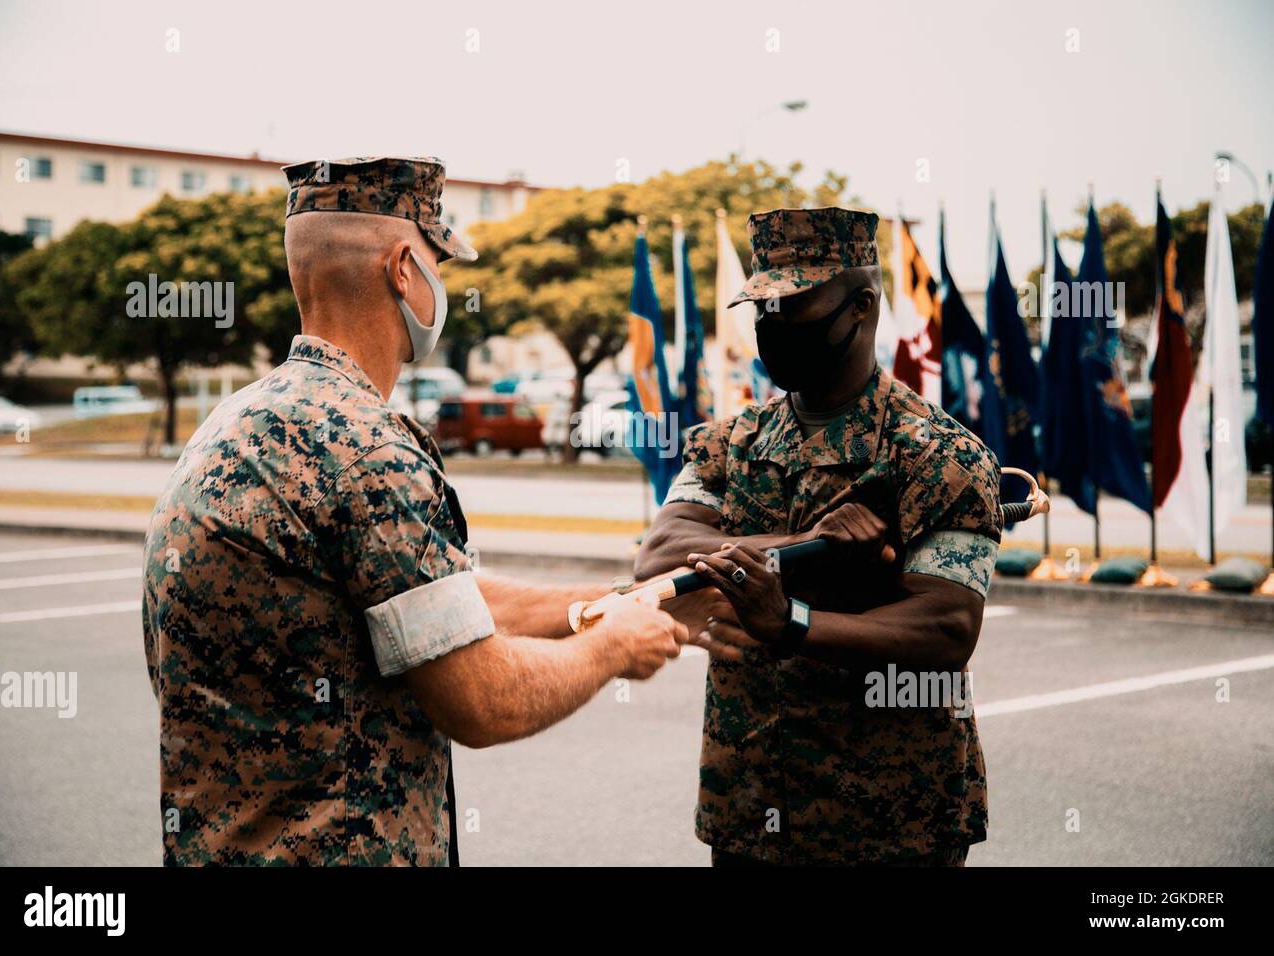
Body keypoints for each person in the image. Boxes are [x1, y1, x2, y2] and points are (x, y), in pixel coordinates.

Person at [142, 155, 686, 866]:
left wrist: (601, 603)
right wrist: (613, 646)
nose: (443, 281)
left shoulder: (231, 425)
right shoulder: (368, 447)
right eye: (439, 259)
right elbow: (484, 699)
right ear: (404, 268)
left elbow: (415, 596)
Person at [636, 206, 1002, 866]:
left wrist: (791, 622)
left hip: (893, 822)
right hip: (748, 806)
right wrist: (806, 544)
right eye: (762, 309)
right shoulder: (728, 443)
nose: (772, 327)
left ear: (861, 305)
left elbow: (946, 626)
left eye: (794, 305)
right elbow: (660, 561)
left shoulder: (937, 454)